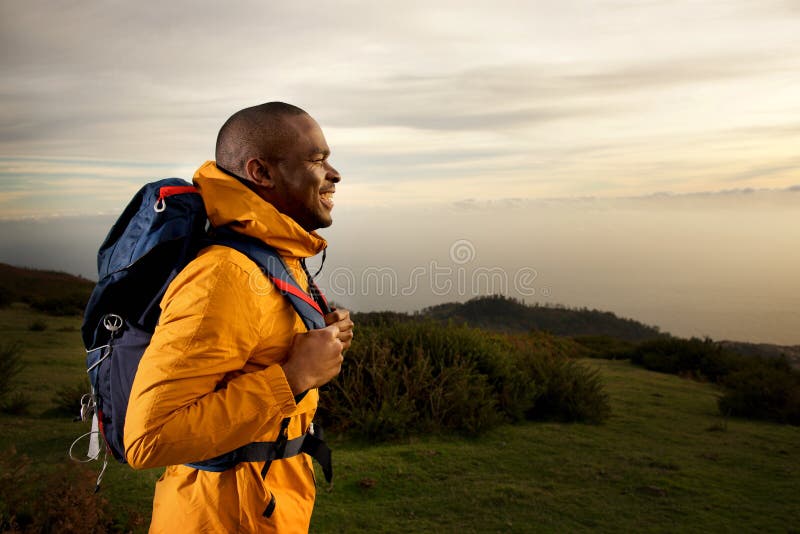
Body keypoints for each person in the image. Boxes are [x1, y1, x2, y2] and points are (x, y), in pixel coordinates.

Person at [124, 102, 354, 533]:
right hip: (220, 517)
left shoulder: (274, 253)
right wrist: (292, 377)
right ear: (261, 173)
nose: (335, 174)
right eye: (317, 160)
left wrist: (319, 336)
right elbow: (148, 438)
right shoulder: (223, 276)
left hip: (260, 504)